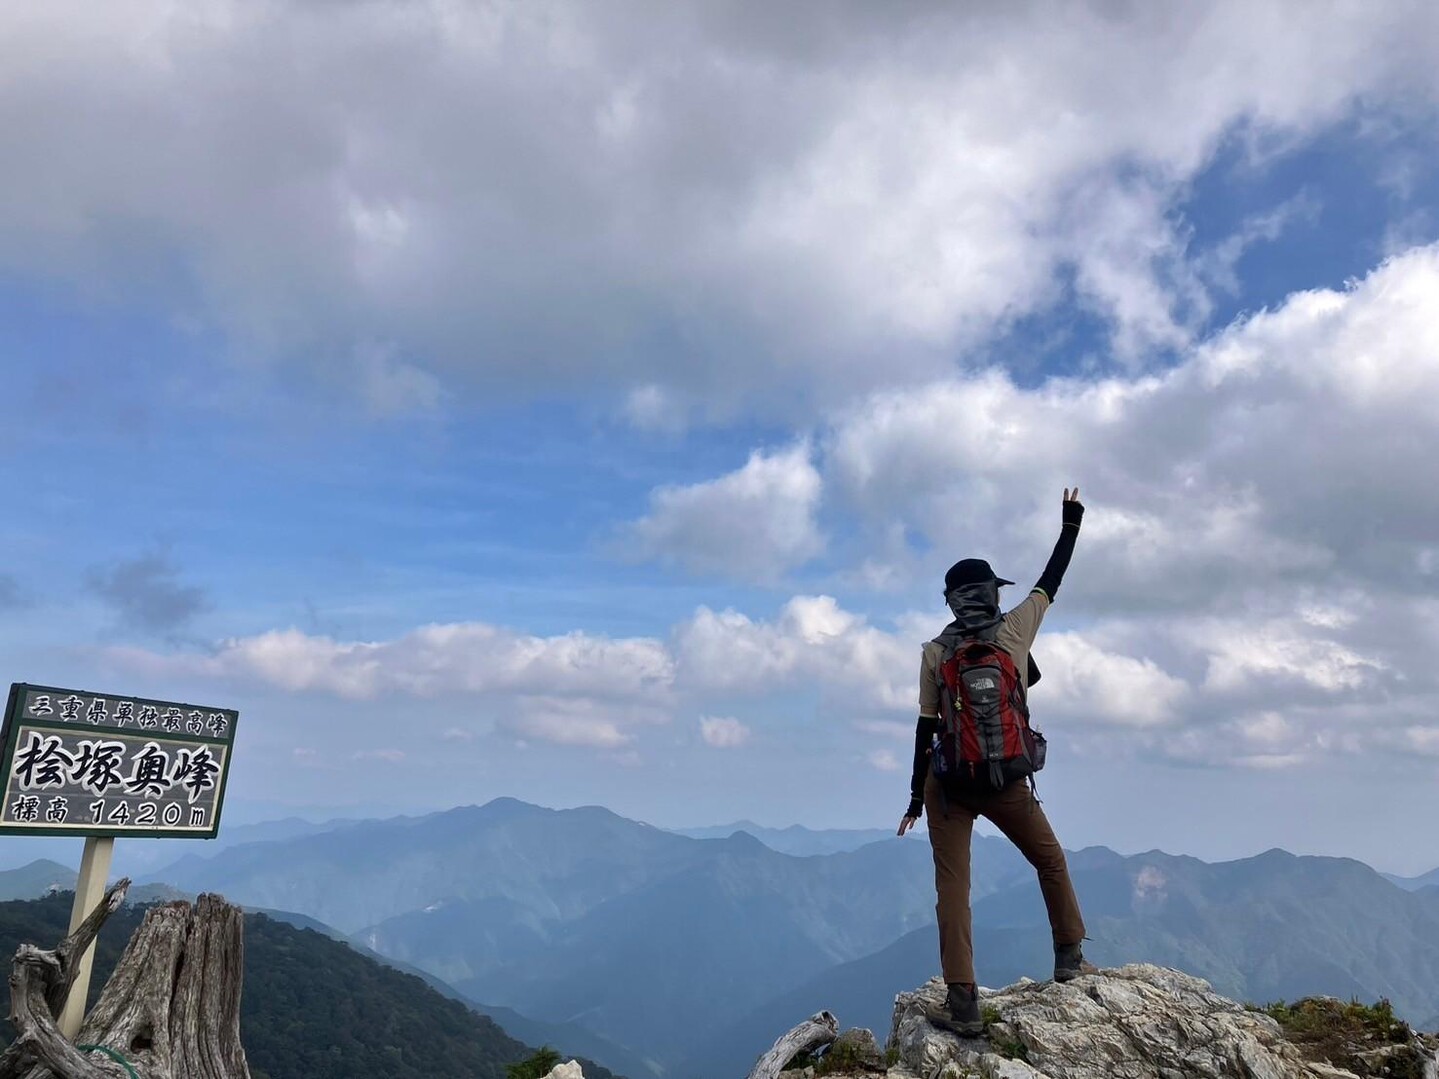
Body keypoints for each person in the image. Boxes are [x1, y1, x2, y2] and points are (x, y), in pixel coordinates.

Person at [897, 487, 1096, 1036]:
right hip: (1007, 777)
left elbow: (927, 727)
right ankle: (1069, 958)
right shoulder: (1015, 632)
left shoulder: (936, 652)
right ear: (991, 592)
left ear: (952, 600)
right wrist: (1071, 524)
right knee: (1050, 861)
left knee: (953, 890)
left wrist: (916, 797)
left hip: (949, 785)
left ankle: (963, 1004)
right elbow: (1050, 581)